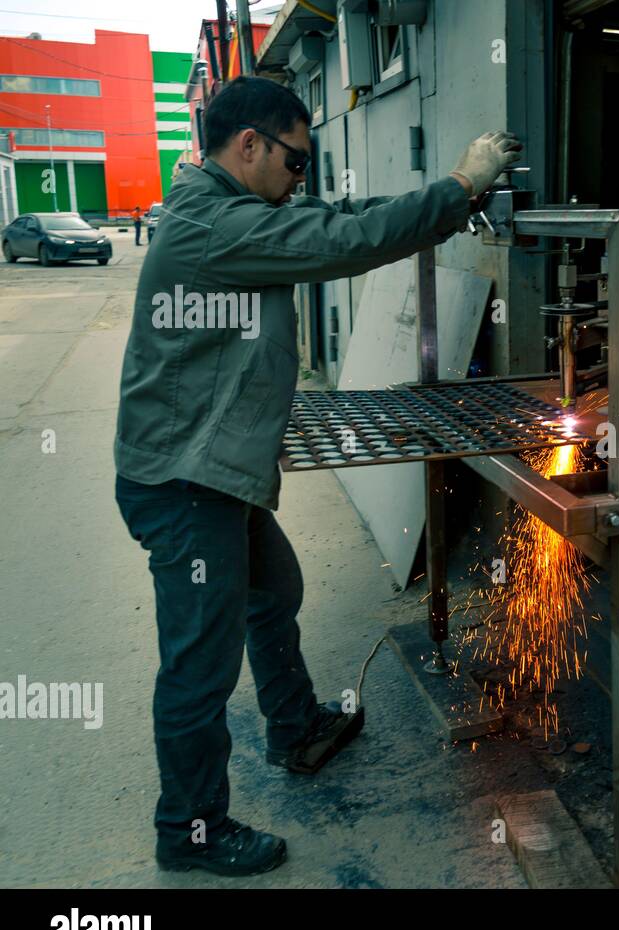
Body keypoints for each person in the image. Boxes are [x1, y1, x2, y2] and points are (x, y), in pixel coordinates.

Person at [113, 75, 521, 877]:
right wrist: (465, 185)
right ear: (249, 145)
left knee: (275, 593)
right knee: (199, 666)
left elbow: (335, 222)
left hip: (211, 471)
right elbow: (344, 243)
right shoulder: (213, 226)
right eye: (296, 162)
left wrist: (445, 197)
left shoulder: (237, 209)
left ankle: (296, 727)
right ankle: (189, 828)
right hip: (186, 481)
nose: (303, 178)